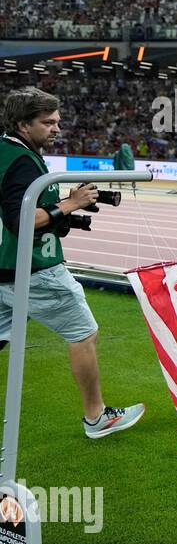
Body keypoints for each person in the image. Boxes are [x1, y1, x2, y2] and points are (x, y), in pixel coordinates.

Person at [0, 87, 144, 438]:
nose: (56, 129)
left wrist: (66, 212)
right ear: (22, 124)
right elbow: (21, 221)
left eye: (57, 122)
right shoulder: (21, 160)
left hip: (5, 270)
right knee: (84, 332)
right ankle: (97, 418)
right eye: (47, 122)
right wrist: (69, 204)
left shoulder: (6, 152)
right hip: (33, 269)